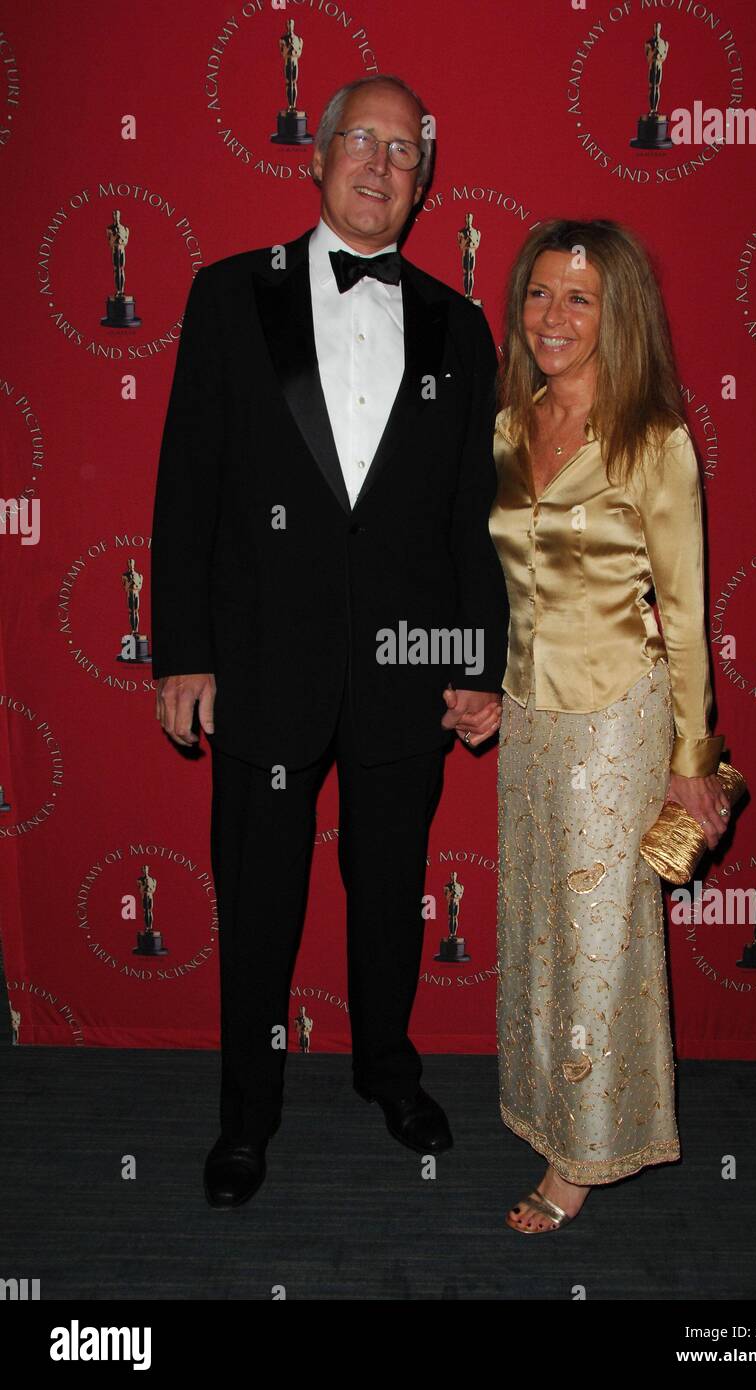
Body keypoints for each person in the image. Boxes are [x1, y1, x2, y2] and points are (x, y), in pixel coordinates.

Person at [151, 73, 509, 1208]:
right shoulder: (228, 296)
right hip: (262, 662)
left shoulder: (460, 325)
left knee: (390, 888)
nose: (379, 165)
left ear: (424, 180)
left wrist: (476, 662)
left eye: (404, 151)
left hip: (409, 665)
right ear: (317, 157)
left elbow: (472, 517)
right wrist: (182, 650)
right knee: (259, 901)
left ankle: (387, 1071)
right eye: (361, 139)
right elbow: (187, 483)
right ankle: (246, 1115)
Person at [488, 219, 731, 1233]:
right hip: (527, 714)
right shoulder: (511, 426)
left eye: (578, 298)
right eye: (538, 293)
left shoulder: (653, 442)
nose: (552, 317)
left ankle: (582, 1156)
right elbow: (501, 580)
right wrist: (478, 683)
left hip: (613, 721)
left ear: (616, 313)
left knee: (598, 939)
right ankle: (548, 1105)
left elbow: (686, 612)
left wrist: (691, 760)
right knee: (538, 927)